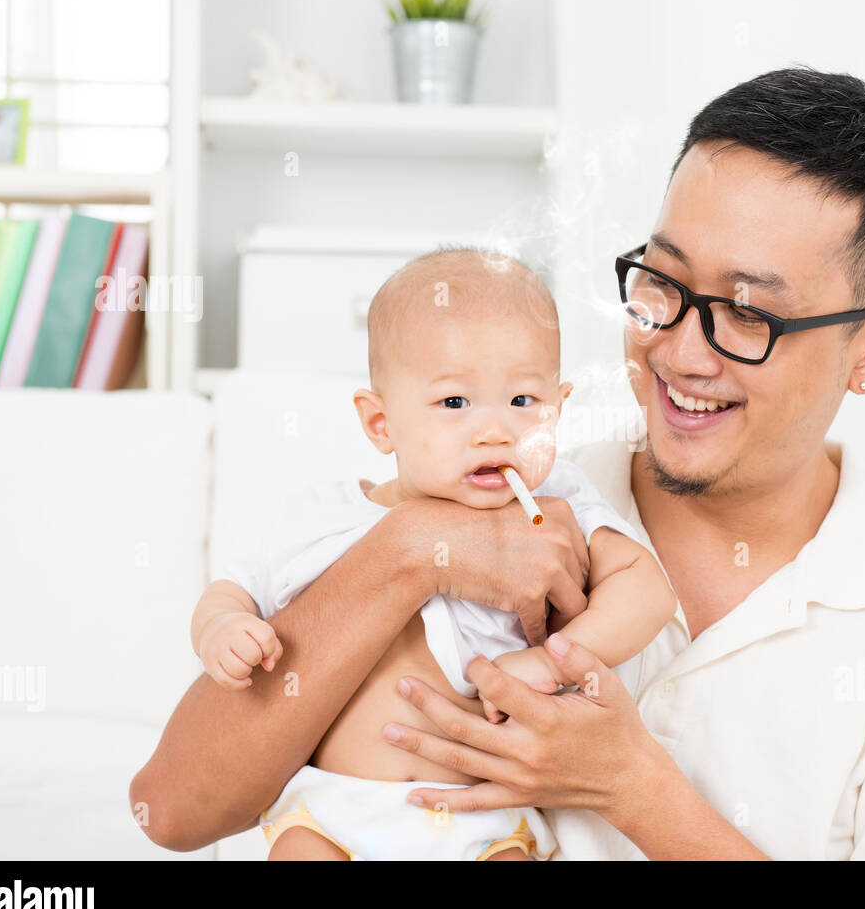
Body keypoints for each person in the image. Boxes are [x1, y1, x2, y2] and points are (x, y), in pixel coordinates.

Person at [132, 68, 865, 860]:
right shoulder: (508, 491)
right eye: (661, 282)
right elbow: (173, 808)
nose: (681, 354)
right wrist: (416, 547)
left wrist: (632, 789)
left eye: (747, 314)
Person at [186, 249, 675, 860]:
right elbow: (234, 588)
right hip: (336, 814)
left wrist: (552, 664)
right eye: (454, 404)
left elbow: (645, 588)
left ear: (560, 404)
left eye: (524, 402)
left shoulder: (556, 502)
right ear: (380, 422)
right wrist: (223, 629)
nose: (496, 431)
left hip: (483, 823)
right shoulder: (326, 515)